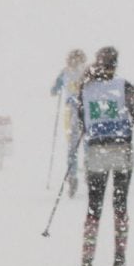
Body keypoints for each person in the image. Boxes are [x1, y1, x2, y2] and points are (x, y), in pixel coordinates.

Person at [71, 47, 134, 266]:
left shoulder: (85, 86)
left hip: (96, 151)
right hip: (122, 148)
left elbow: (81, 119)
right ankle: (119, 263)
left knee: (94, 209)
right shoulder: (124, 86)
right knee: (120, 206)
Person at [51, 49, 87, 196]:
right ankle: (85, 173)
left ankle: (73, 176)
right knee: (86, 143)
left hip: (74, 111)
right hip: (84, 111)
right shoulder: (87, 72)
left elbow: (54, 90)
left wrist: (57, 88)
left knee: (73, 146)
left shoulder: (65, 73)